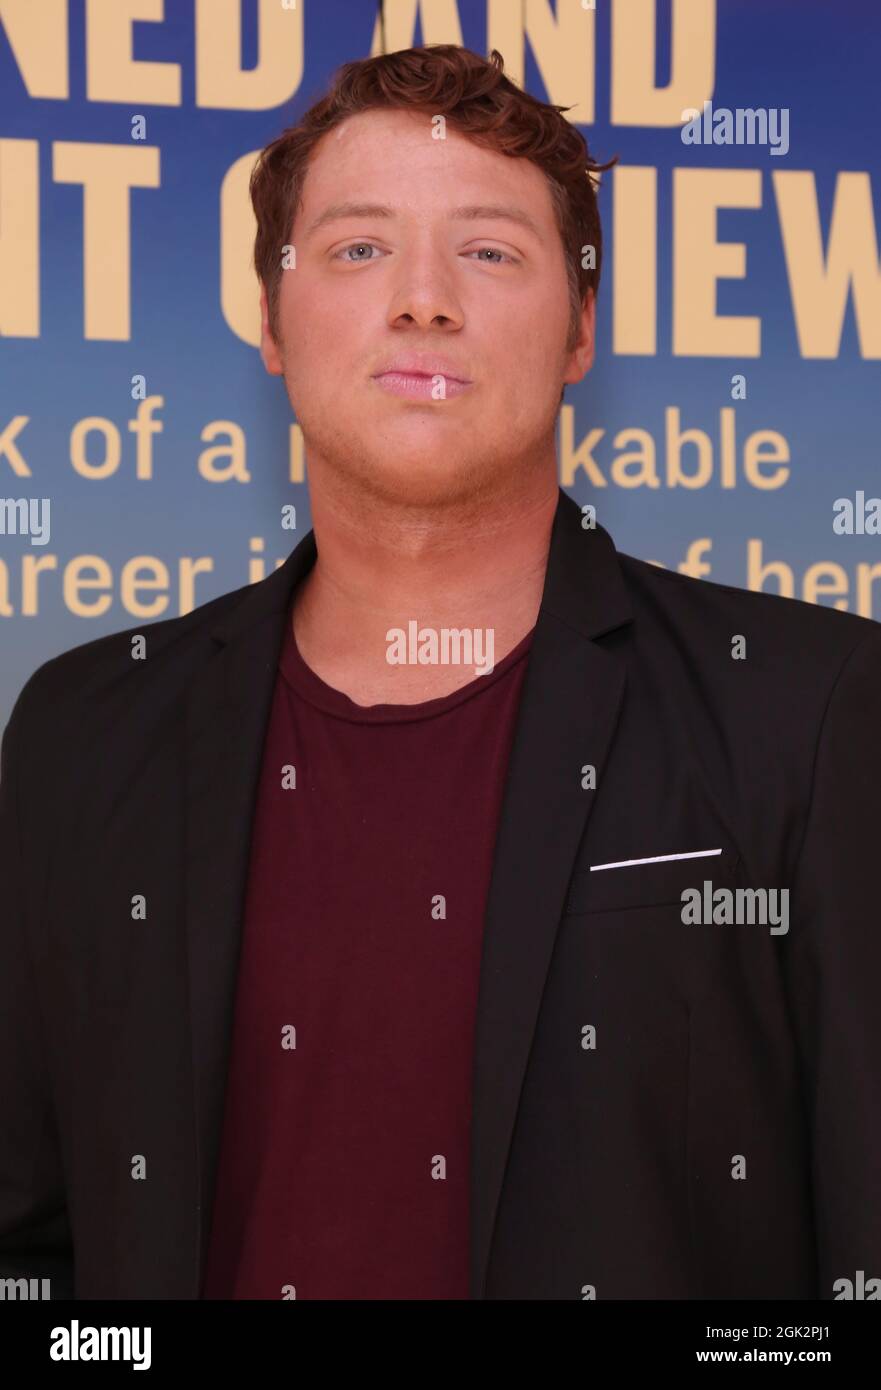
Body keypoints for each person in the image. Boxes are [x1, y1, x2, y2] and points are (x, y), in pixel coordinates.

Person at [1, 44, 879, 1302]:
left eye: (489, 251)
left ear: (579, 329)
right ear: (270, 316)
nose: (423, 300)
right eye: (358, 249)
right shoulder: (82, 730)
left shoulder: (809, 706)